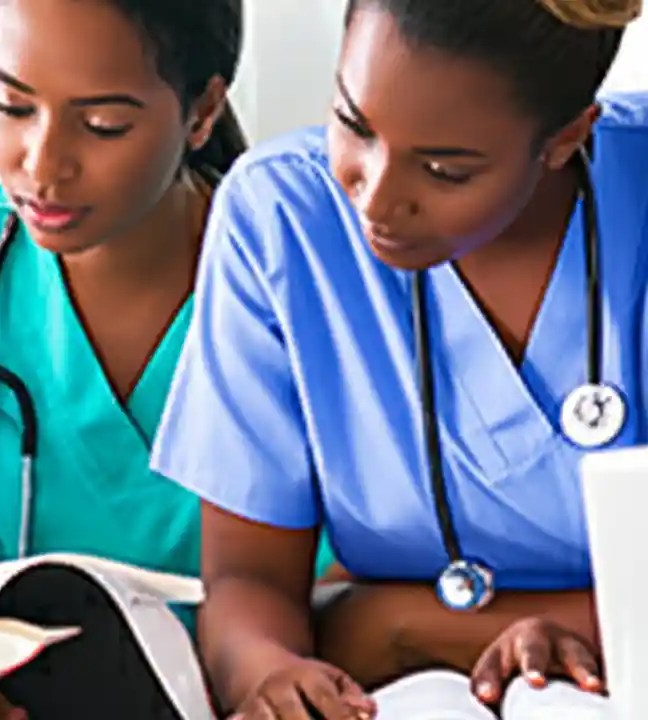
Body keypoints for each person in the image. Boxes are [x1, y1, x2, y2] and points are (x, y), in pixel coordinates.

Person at [150, 0, 644, 716]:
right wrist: (269, 672)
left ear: (567, 136)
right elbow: (248, 581)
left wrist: (388, 626)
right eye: (352, 124)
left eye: (445, 170)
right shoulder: (280, 219)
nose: (375, 198)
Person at [0, 0, 334, 623]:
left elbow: (353, 592)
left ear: (202, 112)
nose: (42, 163)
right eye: (14, 107)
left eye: (103, 124)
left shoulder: (305, 289)